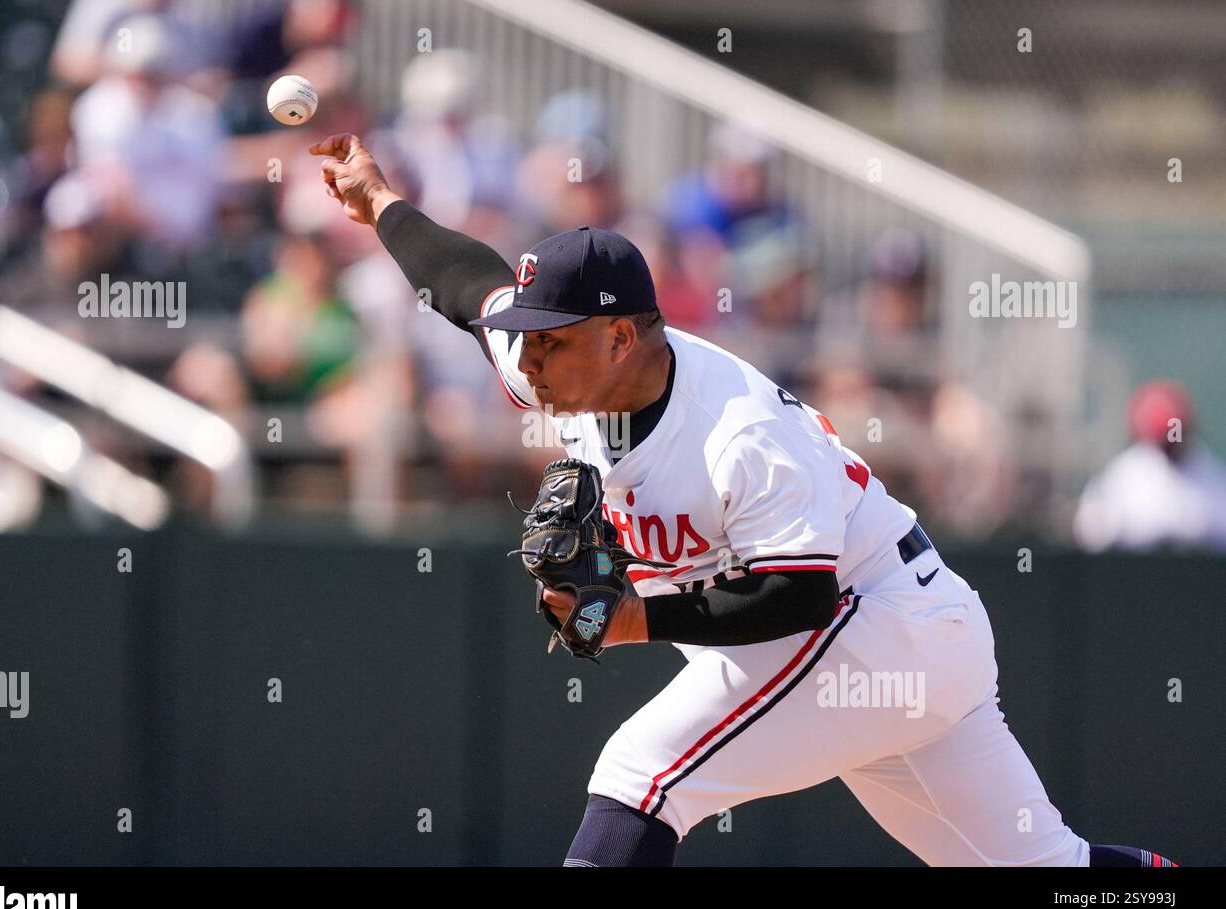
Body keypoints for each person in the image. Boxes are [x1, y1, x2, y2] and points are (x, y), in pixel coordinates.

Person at [308, 133, 1180, 868]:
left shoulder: (737, 431)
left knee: (641, 775)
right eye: (526, 341)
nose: (527, 362)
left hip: (869, 620)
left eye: (549, 342)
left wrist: (631, 619)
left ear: (620, 337)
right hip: (896, 637)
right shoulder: (571, 371)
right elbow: (468, 289)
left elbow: (799, 593)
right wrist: (380, 198)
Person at [1075, 380, 1226, 553]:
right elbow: (1091, 531)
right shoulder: (1126, 474)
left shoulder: (1211, 475)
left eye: (1175, 434)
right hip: (1134, 574)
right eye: (1164, 437)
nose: (1171, 441)